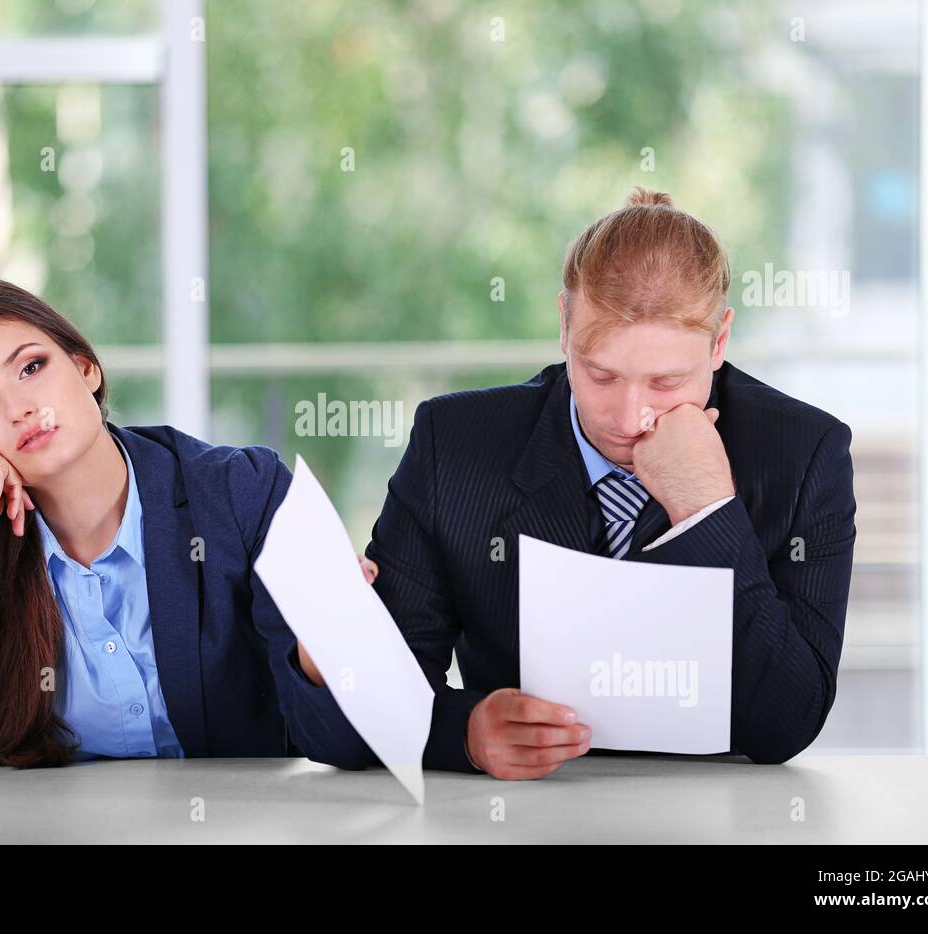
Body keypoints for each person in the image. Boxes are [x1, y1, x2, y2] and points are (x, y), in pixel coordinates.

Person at [364, 187, 858, 779]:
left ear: (719, 343)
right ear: (565, 327)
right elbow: (371, 692)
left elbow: (789, 720)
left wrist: (706, 510)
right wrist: (464, 734)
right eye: (600, 374)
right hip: (518, 815)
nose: (628, 418)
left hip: (721, 815)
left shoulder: (805, 456)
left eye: (667, 382)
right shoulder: (456, 444)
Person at [0, 278, 375, 778]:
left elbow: (346, 747)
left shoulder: (242, 493)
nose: (20, 409)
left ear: (85, 366)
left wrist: (326, 643)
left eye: (30, 367)